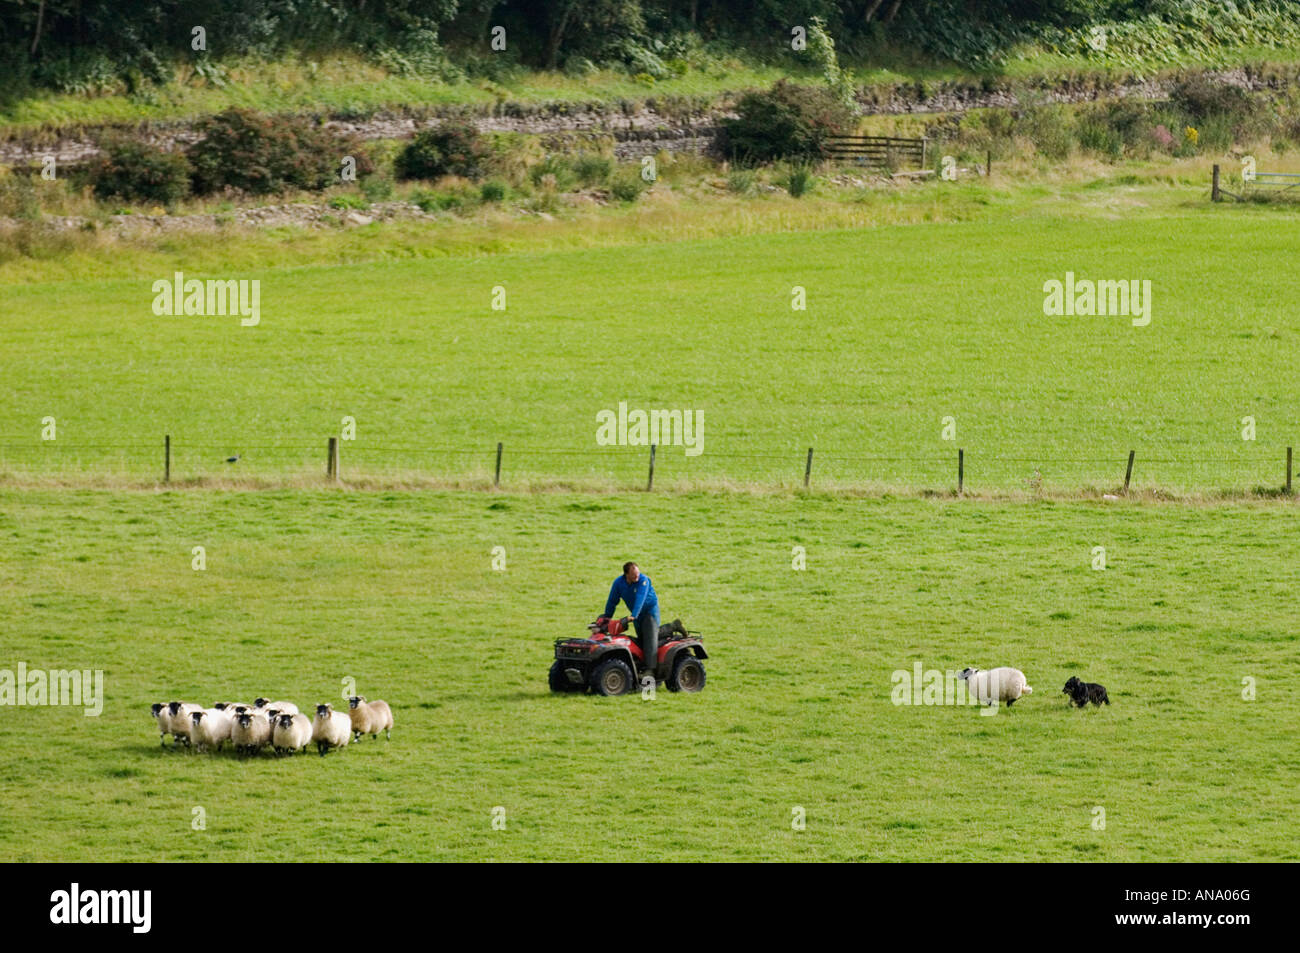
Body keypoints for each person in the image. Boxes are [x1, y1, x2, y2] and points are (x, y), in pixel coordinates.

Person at [603, 561, 660, 671]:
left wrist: (633, 615)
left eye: (638, 573)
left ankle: (650, 671)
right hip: (636, 615)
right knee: (643, 638)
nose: (637, 576)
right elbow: (612, 601)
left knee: (650, 640)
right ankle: (672, 626)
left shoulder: (644, 580)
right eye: (634, 575)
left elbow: (640, 598)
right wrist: (607, 617)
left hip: (649, 611)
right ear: (626, 575)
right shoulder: (618, 583)